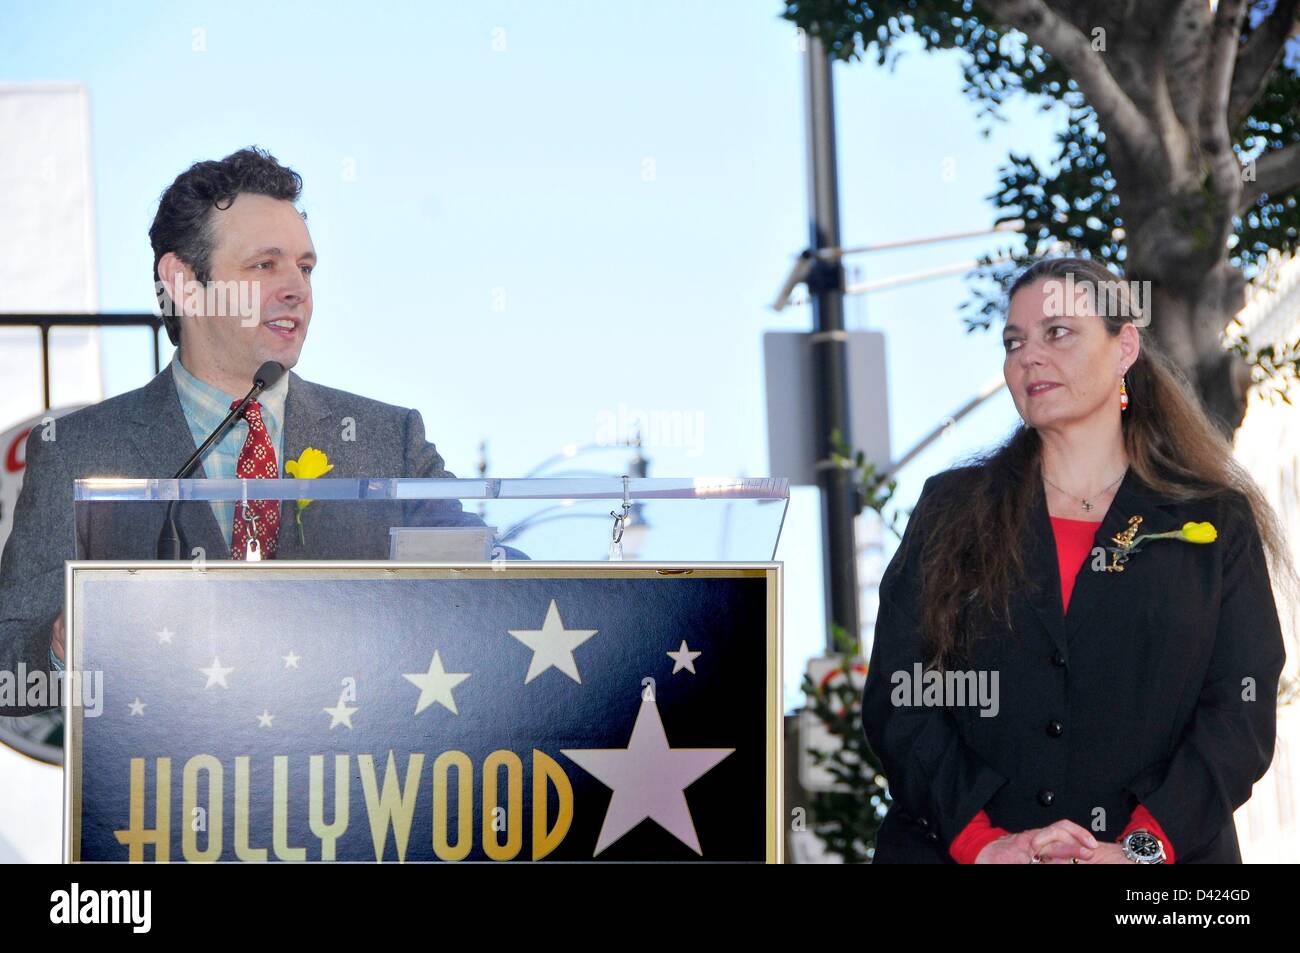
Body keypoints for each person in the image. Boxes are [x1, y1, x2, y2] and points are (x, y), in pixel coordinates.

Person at [0, 147, 488, 716]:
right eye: (265, 266)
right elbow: (8, 667)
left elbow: (494, 576)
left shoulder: (388, 441)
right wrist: (63, 647)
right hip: (160, 796)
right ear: (182, 281)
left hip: (352, 794)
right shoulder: (80, 449)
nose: (296, 289)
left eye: (304, 268)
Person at [863, 256, 1291, 863]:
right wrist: (984, 844)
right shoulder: (951, 510)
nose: (1028, 356)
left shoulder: (1214, 523)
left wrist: (1141, 850)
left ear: (1124, 348)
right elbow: (899, 696)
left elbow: (1239, 714)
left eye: (1057, 332)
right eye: (1014, 342)